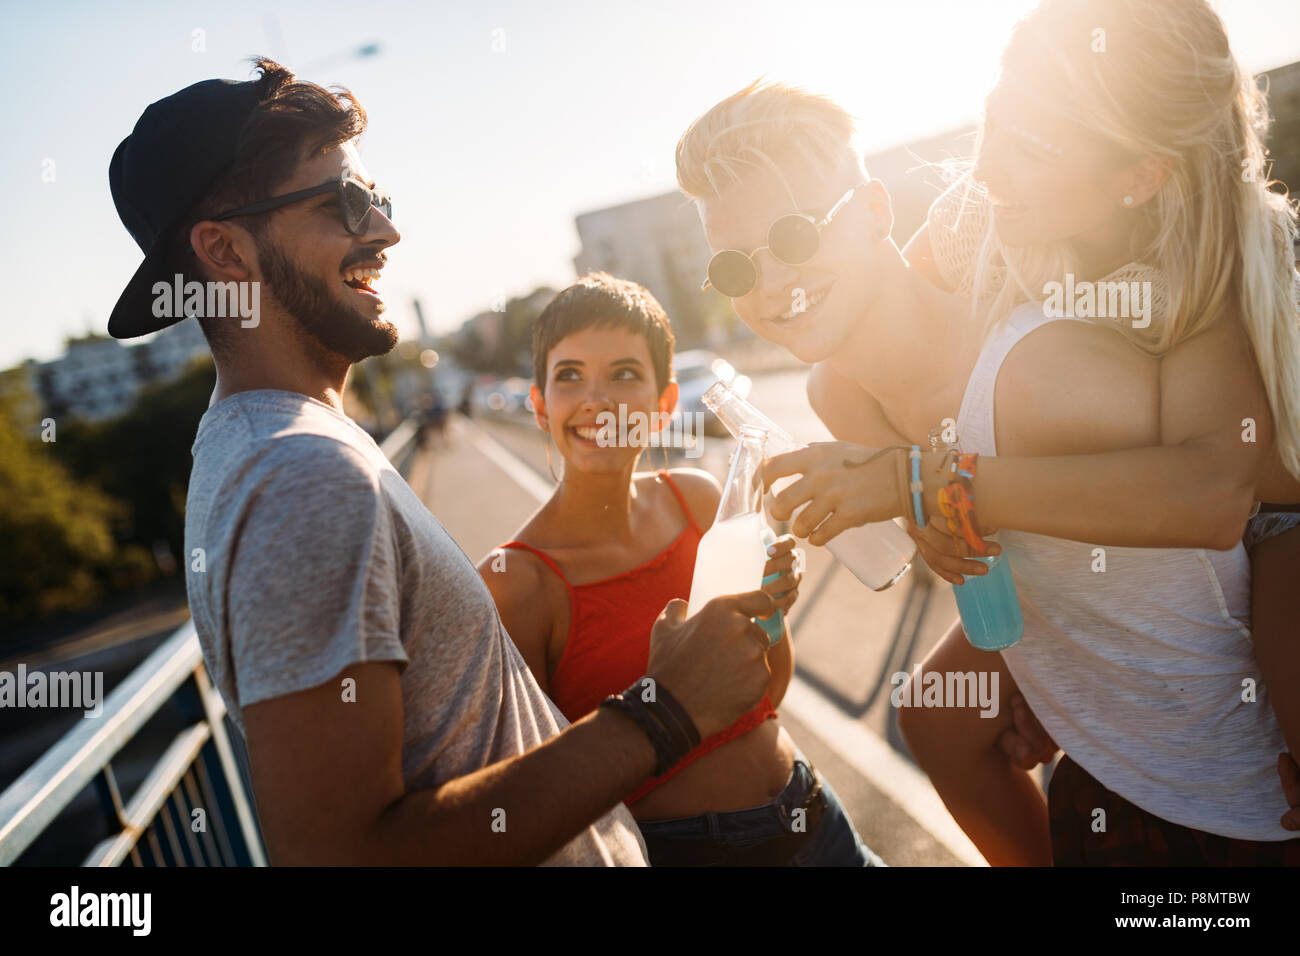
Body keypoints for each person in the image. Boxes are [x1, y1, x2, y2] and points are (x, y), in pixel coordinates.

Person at [675, 0, 1300, 865]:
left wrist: (921, 483)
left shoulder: (1169, 280)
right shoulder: (972, 229)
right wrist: (937, 525)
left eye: (793, 235)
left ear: (1142, 175)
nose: (991, 167)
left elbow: (1219, 498)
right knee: (936, 715)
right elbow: (987, 533)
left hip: (1245, 698)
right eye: (734, 264)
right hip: (1122, 747)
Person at [108, 59, 778, 866]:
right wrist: (666, 711)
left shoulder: (285, 448)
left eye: (378, 200)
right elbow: (343, 857)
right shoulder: (298, 476)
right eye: (344, 204)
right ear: (225, 251)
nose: (384, 232)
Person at [477, 272, 883, 865]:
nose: (597, 400)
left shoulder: (696, 499)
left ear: (664, 404)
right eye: (570, 376)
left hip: (818, 819)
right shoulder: (516, 582)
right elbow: (536, 799)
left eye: (624, 374)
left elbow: (765, 692)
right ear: (539, 406)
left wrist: (770, 616)